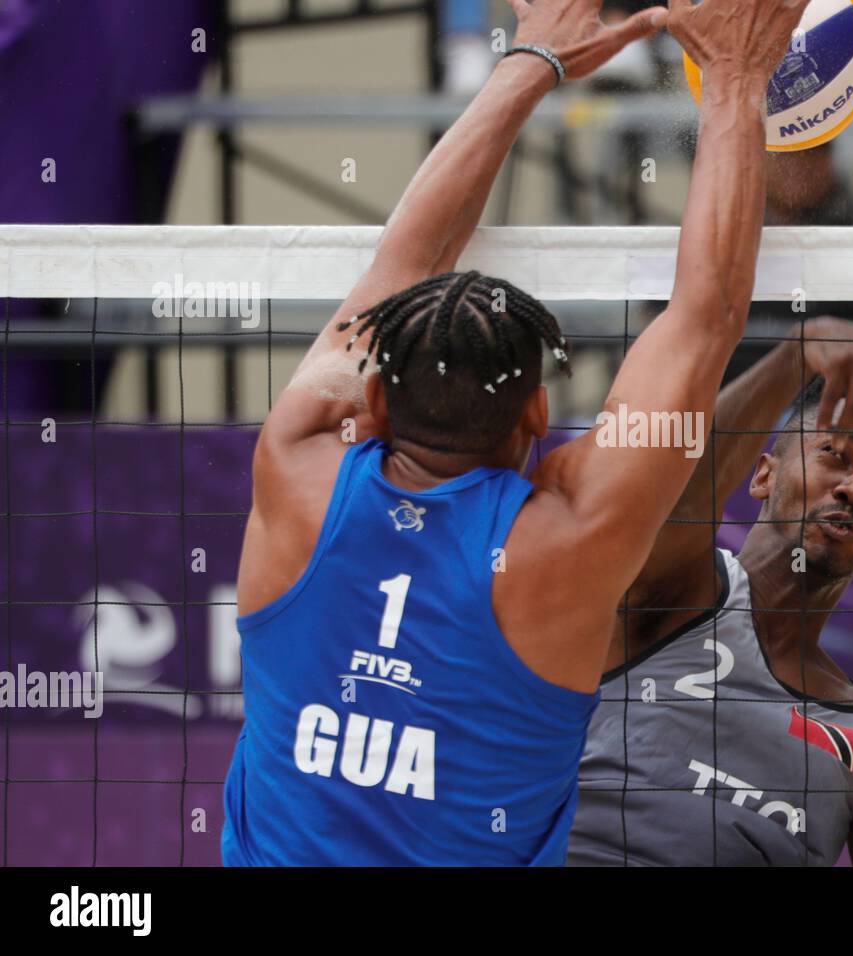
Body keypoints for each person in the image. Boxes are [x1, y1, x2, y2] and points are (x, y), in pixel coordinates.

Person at [221, 0, 820, 865]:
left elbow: (406, 264)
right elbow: (706, 319)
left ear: (375, 402)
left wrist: (531, 58)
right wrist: (734, 77)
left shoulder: (298, 461)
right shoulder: (562, 542)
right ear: (537, 416)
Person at [567, 319, 853, 865]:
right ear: (763, 477)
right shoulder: (679, 591)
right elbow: (663, 496)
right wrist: (793, 357)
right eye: (835, 455)